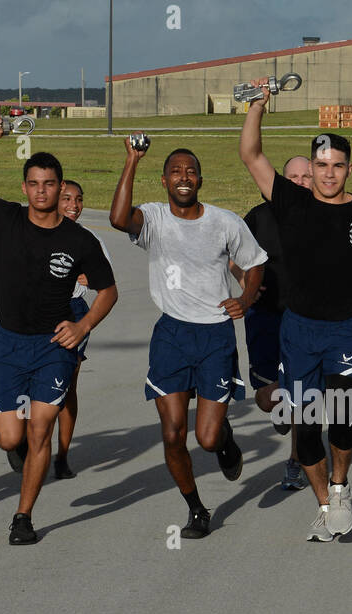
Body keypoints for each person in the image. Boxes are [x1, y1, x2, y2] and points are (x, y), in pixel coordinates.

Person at [240, 80, 352, 541]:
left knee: (340, 410)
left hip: (348, 329)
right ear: (311, 169)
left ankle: (339, 487)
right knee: (306, 427)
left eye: (337, 166)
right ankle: (324, 502)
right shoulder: (289, 201)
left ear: (349, 169)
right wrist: (257, 106)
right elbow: (252, 155)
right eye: (320, 165)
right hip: (299, 331)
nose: (328, 174)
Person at [0, 117, 118, 545]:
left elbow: (109, 291)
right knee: (10, 437)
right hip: (7, 344)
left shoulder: (80, 241)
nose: (42, 190)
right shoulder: (4, 218)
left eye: (50, 183)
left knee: (41, 431)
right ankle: (18, 451)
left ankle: (24, 516)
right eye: (34, 183)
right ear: (25, 188)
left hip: (53, 347)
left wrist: (84, 324)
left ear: (61, 188)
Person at [109, 140, 266, 539]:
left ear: (200, 179)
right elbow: (118, 218)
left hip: (215, 335)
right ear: (164, 180)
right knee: (172, 432)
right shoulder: (155, 218)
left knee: (207, 437)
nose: (184, 177)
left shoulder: (225, 221)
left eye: (190, 171)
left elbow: (255, 263)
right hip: (172, 334)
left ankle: (226, 440)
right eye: (176, 172)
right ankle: (196, 508)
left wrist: (245, 299)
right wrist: (132, 159)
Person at [230, 155, 312, 491]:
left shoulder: (320, 215)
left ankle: (296, 460)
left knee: (301, 394)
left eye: (306, 176)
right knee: (267, 399)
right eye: (293, 176)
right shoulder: (259, 217)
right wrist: (245, 282)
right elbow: (232, 254)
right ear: (280, 178)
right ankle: (282, 411)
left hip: (304, 316)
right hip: (263, 314)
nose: (300, 182)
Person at [53, 179, 114, 480]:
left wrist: (91, 276)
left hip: (75, 313)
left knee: (66, 385)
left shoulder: (89, 239)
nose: (74, 205)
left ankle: (62, 455)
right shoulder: (35, 231)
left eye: (78, 199)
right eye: (66, 198)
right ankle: (24, 439)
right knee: (31, 380)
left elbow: (107, 282)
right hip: (36, 315)